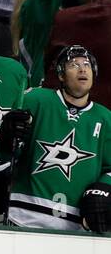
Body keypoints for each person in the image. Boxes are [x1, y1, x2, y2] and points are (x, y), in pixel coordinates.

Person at [6, 45, 111, 233]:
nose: (82, 69)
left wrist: (103, 187)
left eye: (87, 64)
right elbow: (6, 151)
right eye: (73, 64)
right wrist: (7, 137)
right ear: (61, 75)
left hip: (76, 226)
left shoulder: (105, 118)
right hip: (24, 216)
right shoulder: (35, 99)